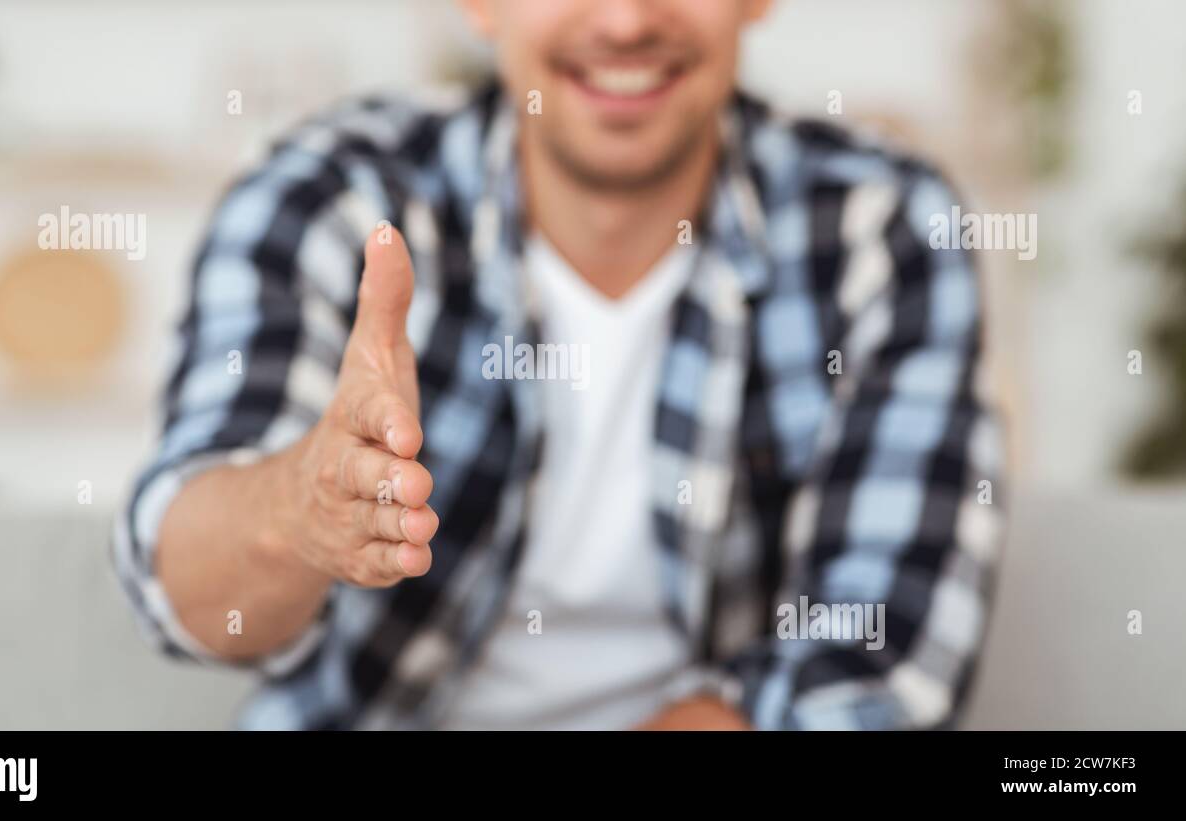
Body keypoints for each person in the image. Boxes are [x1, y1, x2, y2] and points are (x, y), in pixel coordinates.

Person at [112, 0, 1005, 730]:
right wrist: (303, 509)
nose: (623, 22)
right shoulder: (328, 193)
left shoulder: (883, 228)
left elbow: (870, 661)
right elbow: (187, 590)